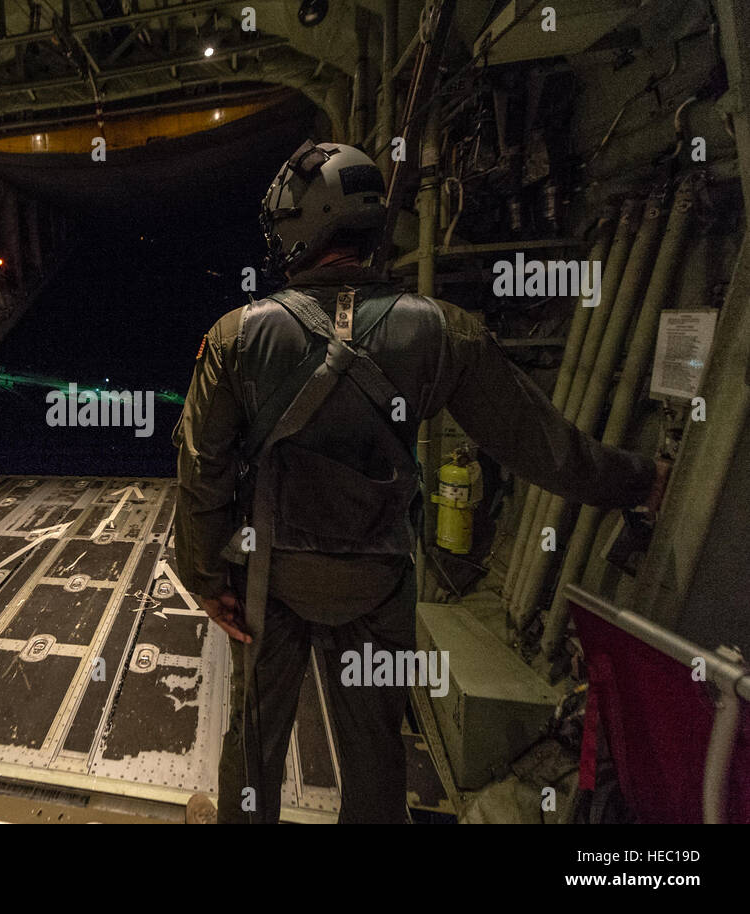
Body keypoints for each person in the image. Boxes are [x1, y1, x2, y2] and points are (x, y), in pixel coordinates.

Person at [172, 140, 668, 824]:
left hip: (269, 581)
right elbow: (545, 448)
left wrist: (204, 579)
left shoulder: (235, 337)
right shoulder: (441, 331)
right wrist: (640, 479)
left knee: (254, 745)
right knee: (376, 748)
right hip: (380, 579)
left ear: (302, 226)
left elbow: (202, 473)